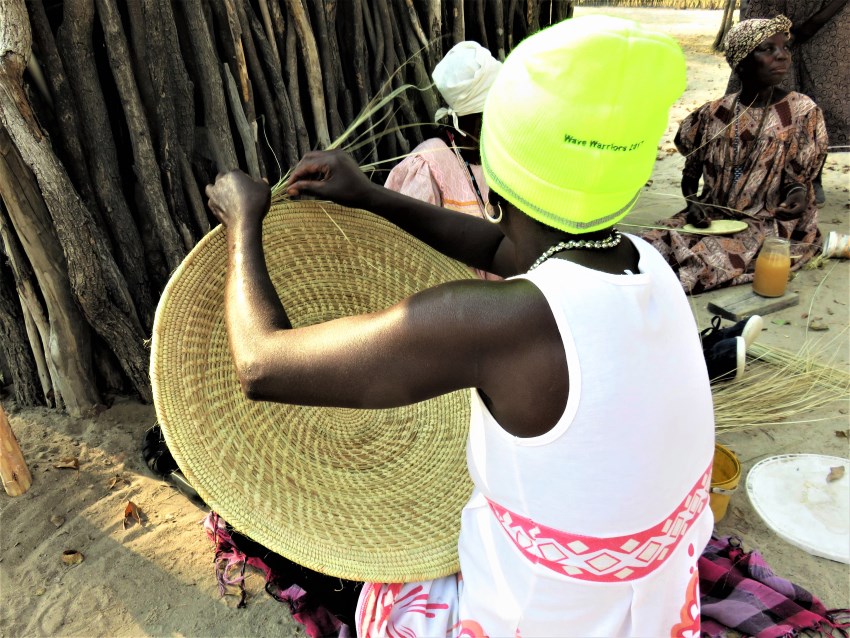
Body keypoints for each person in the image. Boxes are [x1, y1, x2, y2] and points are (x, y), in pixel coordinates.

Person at [206, 16, 714, 636]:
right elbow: (508, 247)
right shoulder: (646, 261)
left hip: (546, 620)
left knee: (382, 598)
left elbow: (263, 364)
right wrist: (371, 196)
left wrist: (242, 223)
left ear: (493, 165)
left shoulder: (501, 321)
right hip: (656, 610)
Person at [643, 16, 828, 295]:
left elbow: (798, 181)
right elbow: (690, 175)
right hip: (714, 215)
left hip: (765, 220)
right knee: (650, 243)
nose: (782, 56)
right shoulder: (713, 114)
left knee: (703, 262)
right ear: (741, 63)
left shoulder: (801, 112)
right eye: (767, 49)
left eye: (784, 48)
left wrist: (797, 198)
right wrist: (693, 203)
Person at [384, 41, 501, 280]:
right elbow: (408, 259)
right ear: (470, 119)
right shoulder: (427, 166)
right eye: (493, 113)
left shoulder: (497, 159)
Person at [730, 0, 849, 204]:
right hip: (770, 7)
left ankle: (809, 177)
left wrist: (814, 23)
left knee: (824, 96)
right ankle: (755, 174)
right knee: (765, 91)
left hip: (829, 15)